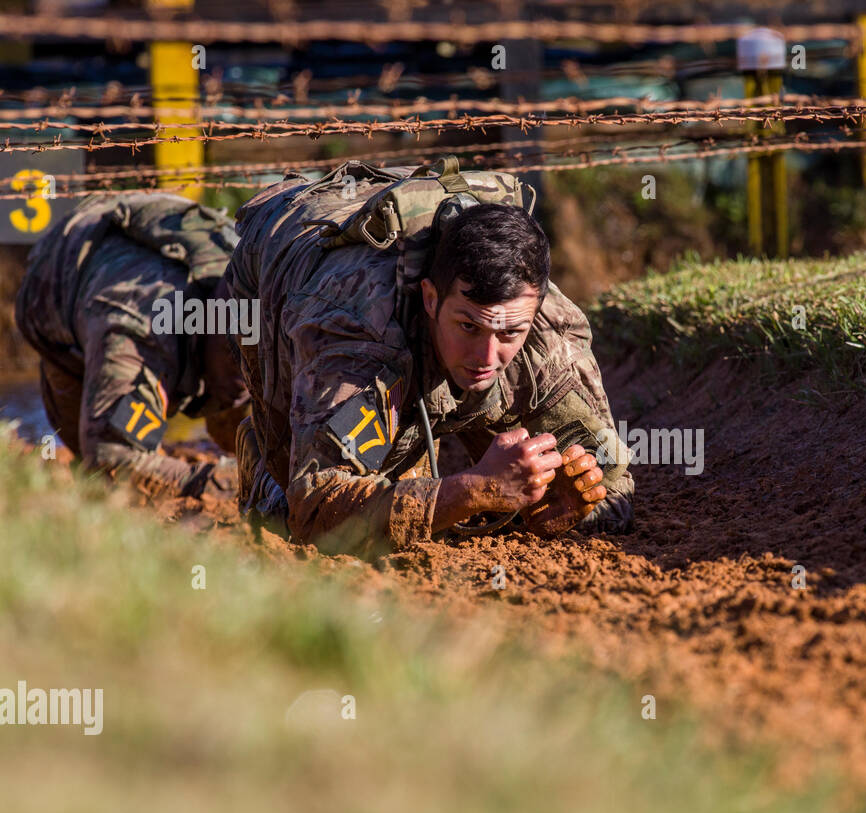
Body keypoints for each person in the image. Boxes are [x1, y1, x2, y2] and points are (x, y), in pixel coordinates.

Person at [221, 162, 634, 554]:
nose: (487, 355)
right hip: (286, 245)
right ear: (431, 299)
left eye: (510, 333)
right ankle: (261, 455)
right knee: (286, 517)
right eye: (469, 327)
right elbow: (315, 508)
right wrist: (478, 488)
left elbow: (614, 480)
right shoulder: (358, 335)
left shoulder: (547, 333)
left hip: (404, 261)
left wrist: (561, 507)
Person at [14, 192, 249, 497]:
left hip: (175, 274)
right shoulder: (142, 335)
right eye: (236, 356)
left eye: (255, 360)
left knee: (251, 426)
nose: (245, 376)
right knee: (98, 468)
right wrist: (224, 485)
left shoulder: (255, 320)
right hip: (64, 295)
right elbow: (112, 459)